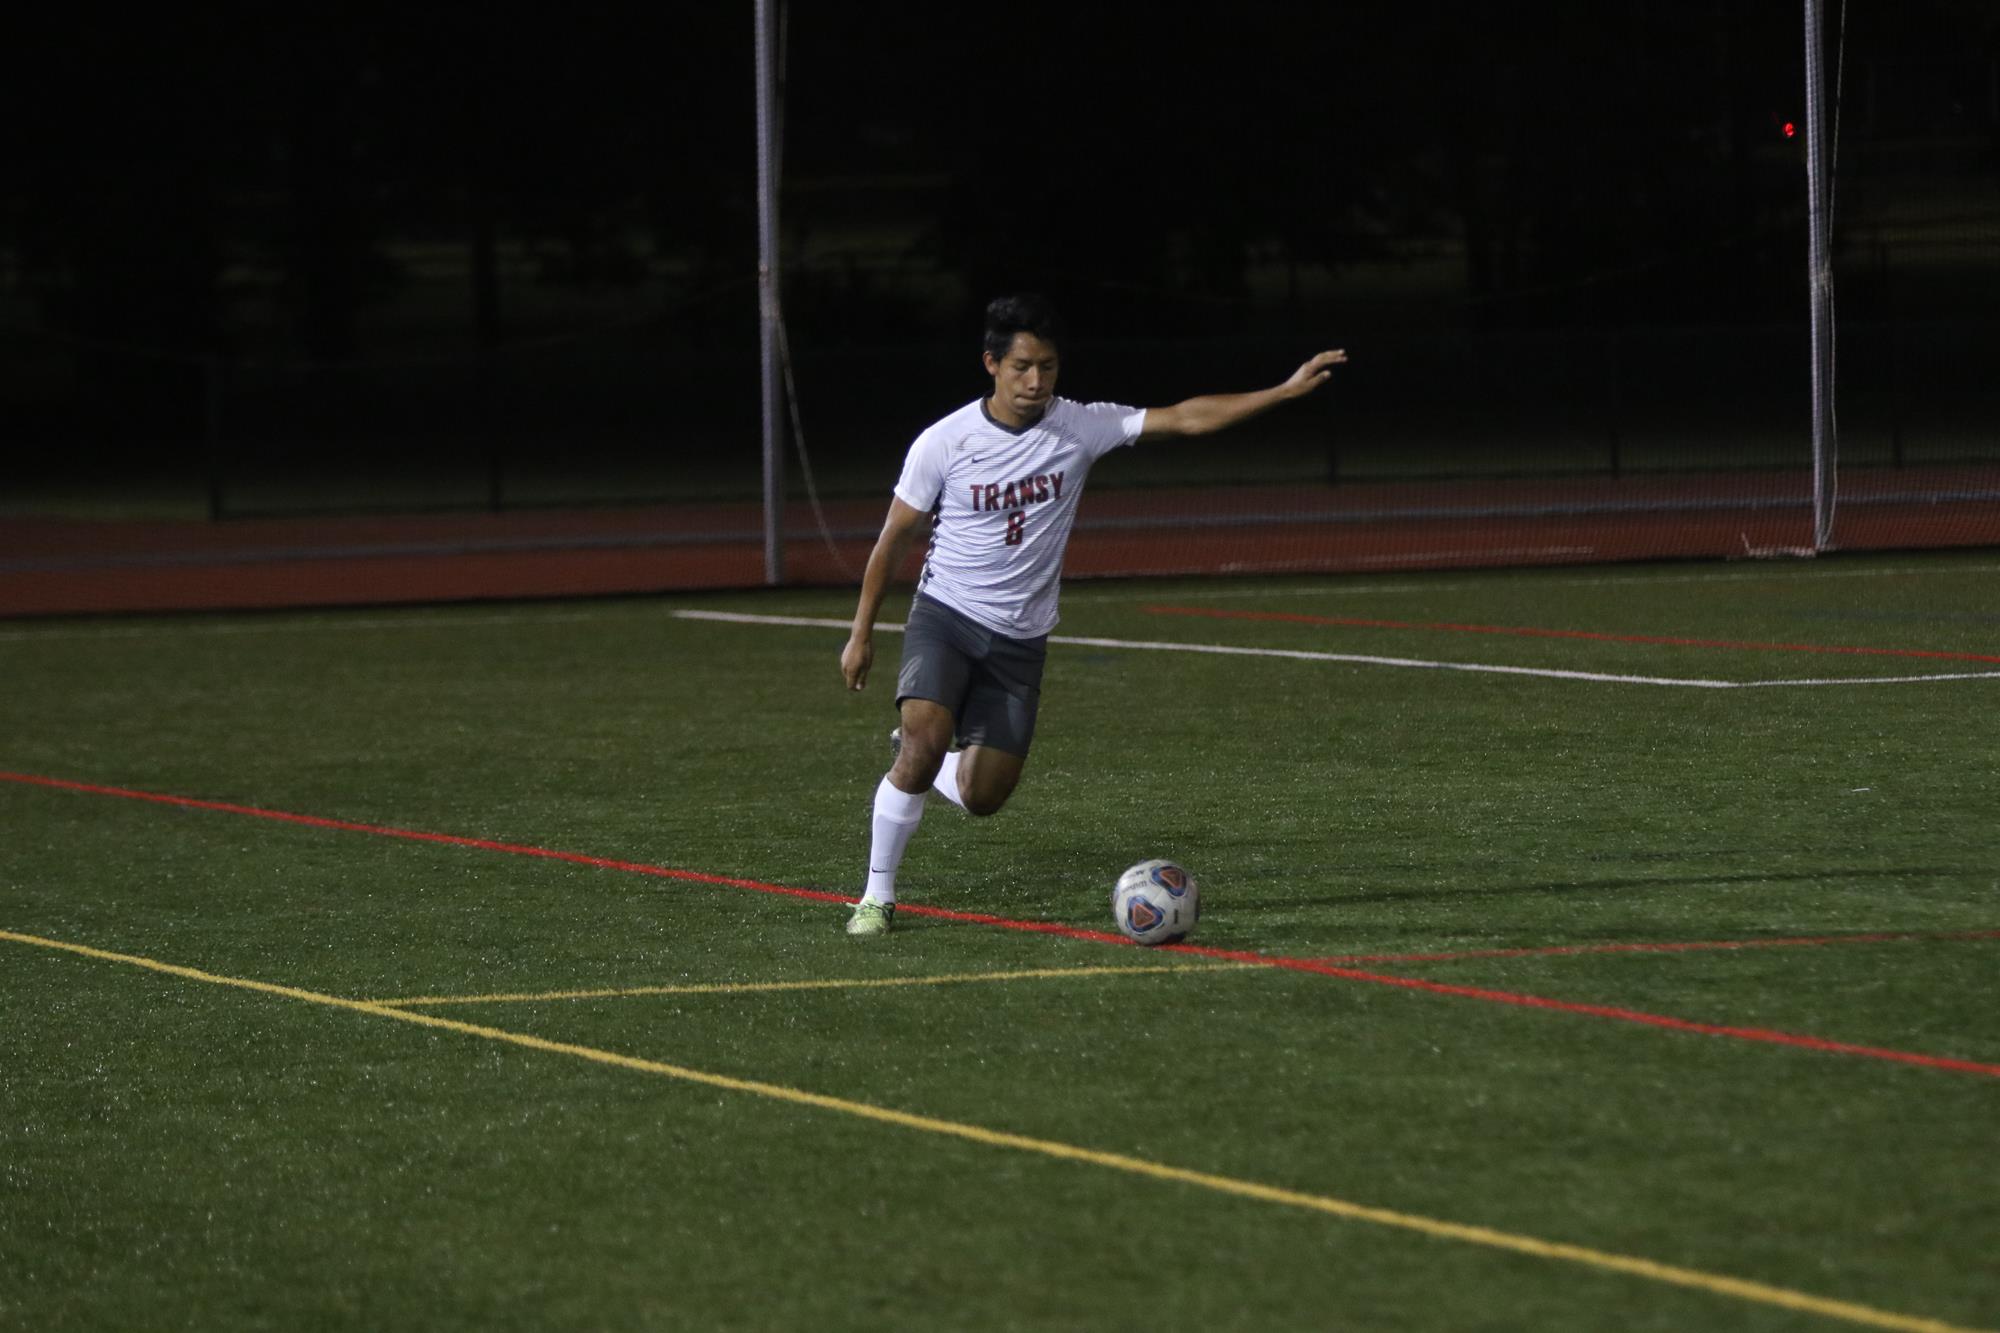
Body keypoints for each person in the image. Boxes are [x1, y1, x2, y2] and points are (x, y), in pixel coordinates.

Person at [838, 294, 1346, 935]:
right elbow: (893, 539)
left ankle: (934, 759)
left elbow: (1185, 418)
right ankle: (877, 898)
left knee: (983, 797)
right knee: (922, 738)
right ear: (991, 364)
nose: (1036, 381)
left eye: (1048, 367)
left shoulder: (1079, 426)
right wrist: (861, 634)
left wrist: (1281, 391)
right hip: (946, 615)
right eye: (1022, 366)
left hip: (1021, 638)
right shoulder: (944, 441)